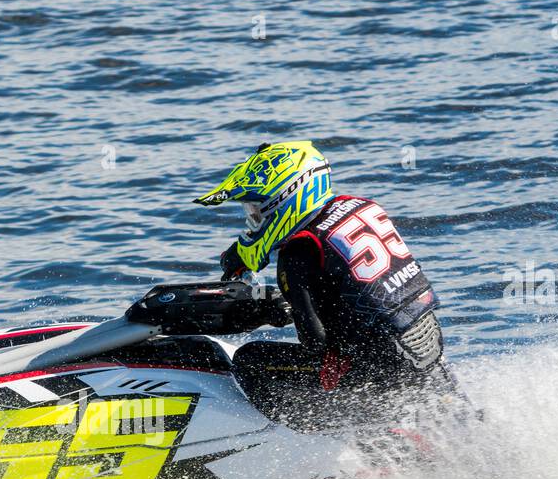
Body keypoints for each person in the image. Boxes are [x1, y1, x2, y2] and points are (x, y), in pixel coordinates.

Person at [195, 140, 466, 431]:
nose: (254, 220)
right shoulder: (361, 208)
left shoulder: (297, 253)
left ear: (285, 197)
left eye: (257, 211)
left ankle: (324, 443)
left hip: (378, 368)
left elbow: (315, 341)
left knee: (250, 360)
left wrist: (275, 310)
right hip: (426, 343)